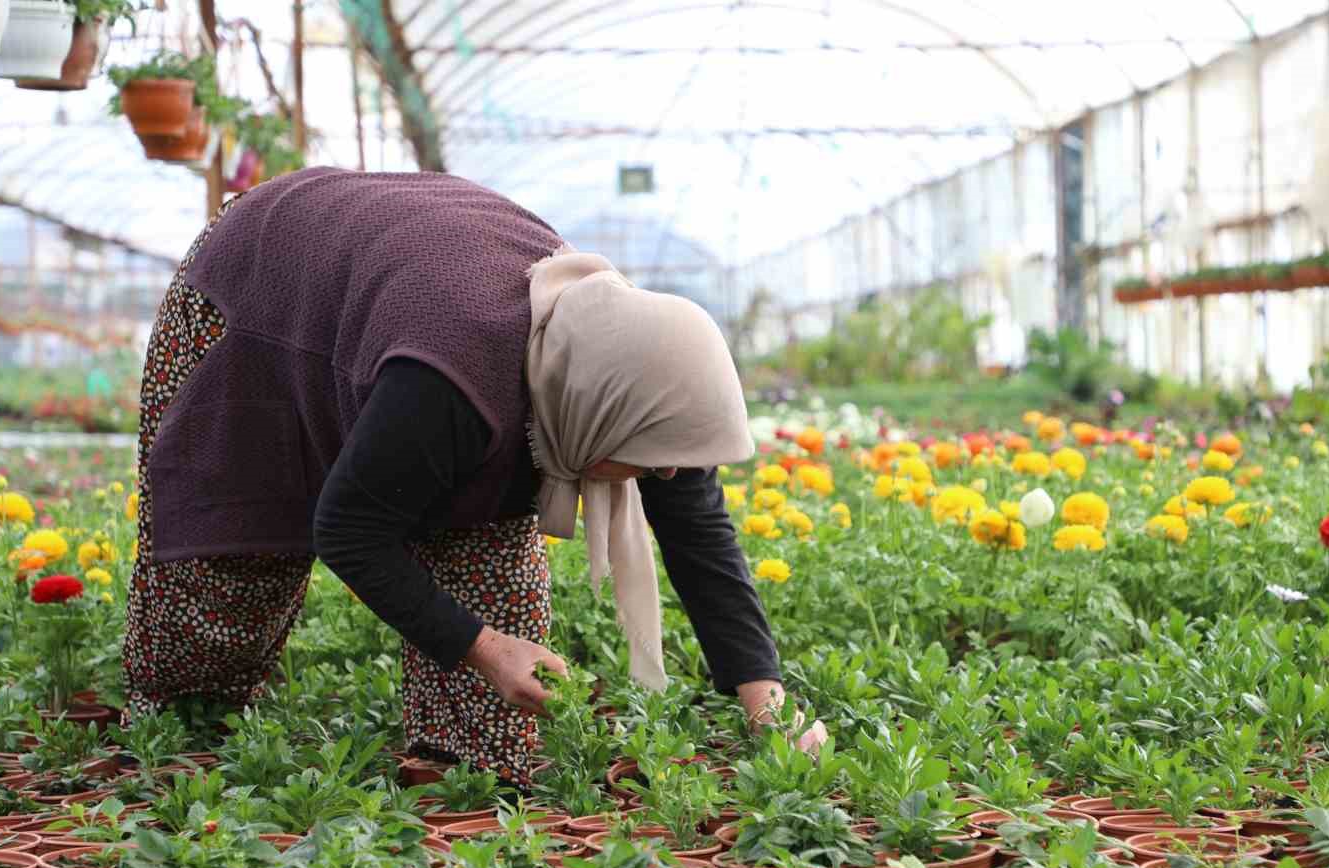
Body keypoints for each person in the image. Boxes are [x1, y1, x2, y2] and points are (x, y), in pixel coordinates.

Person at [122, 167, 823, 785]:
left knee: (498, 626)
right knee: (227, 573)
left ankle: (461, 778)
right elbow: (349, 531)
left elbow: (699, 533)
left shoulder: (631, 370)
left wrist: (767, 702)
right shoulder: (452, 384)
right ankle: (178, 753)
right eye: (654, 456)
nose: (665, 472)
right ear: (600, 409)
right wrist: (482, 649)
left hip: (407, 297)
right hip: (260, 291)